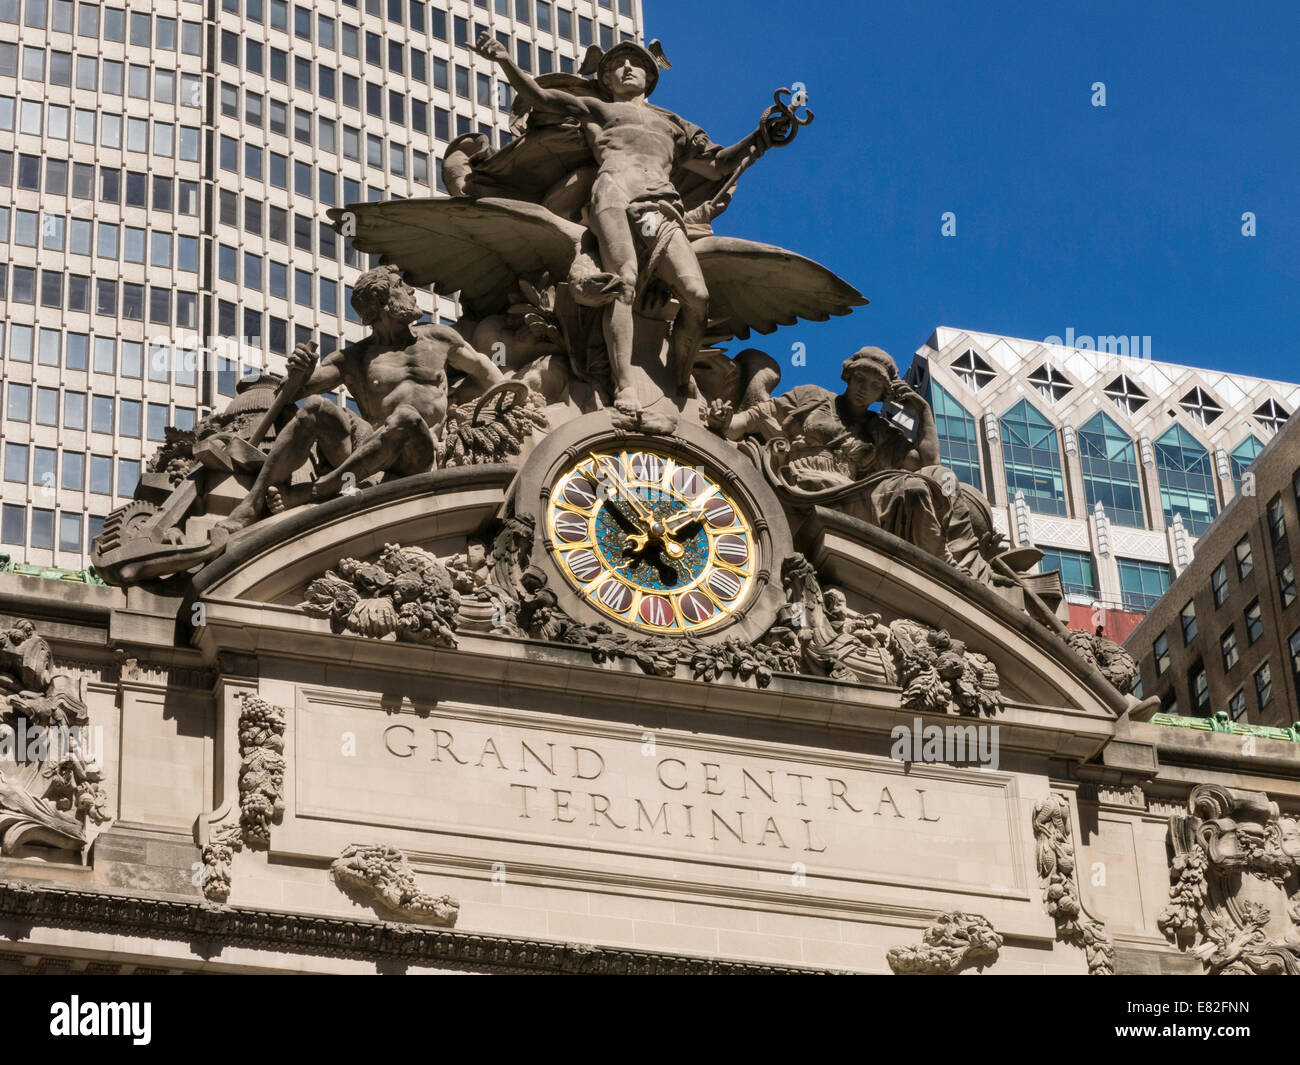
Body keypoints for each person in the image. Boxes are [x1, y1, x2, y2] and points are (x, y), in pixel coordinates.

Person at [473, 33, 773, 411]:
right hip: (613, 194)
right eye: (617, 65)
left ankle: (680, 376)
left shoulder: (675, 125)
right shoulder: (600, 110)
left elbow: (716, 166)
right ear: (607, 79)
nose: (627, 68)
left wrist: (759, 138)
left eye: (635, 64)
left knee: (697, 297)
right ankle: (625, 386)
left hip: (662, 206)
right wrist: (504, 61)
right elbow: (545, 98)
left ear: (650, 76)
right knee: (623, 282)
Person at [218, 265, 503, 532]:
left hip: (419, 454)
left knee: (405, 416)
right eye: (401, 286)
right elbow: (291, 394)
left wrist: (511, 394)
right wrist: (300, 372)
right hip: (368, 453)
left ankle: (310, 492)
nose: (412, 291)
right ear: (383, 300)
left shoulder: (439, 338)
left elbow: (485, 370)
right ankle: (251, 506)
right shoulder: (354, 358)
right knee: (317, 408)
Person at [710, 347, 960, 567]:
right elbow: (755, 417)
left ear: (883, 395)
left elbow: (928, 463)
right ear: (848, 376)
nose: (865, 390)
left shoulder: (880, 431)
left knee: (916, 487)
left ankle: (940, 566)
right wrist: (725, 420)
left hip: (850, 492)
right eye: (861, 379)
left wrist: (924, 411)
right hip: (800, 481)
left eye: (875, 386)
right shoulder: (811, 396)